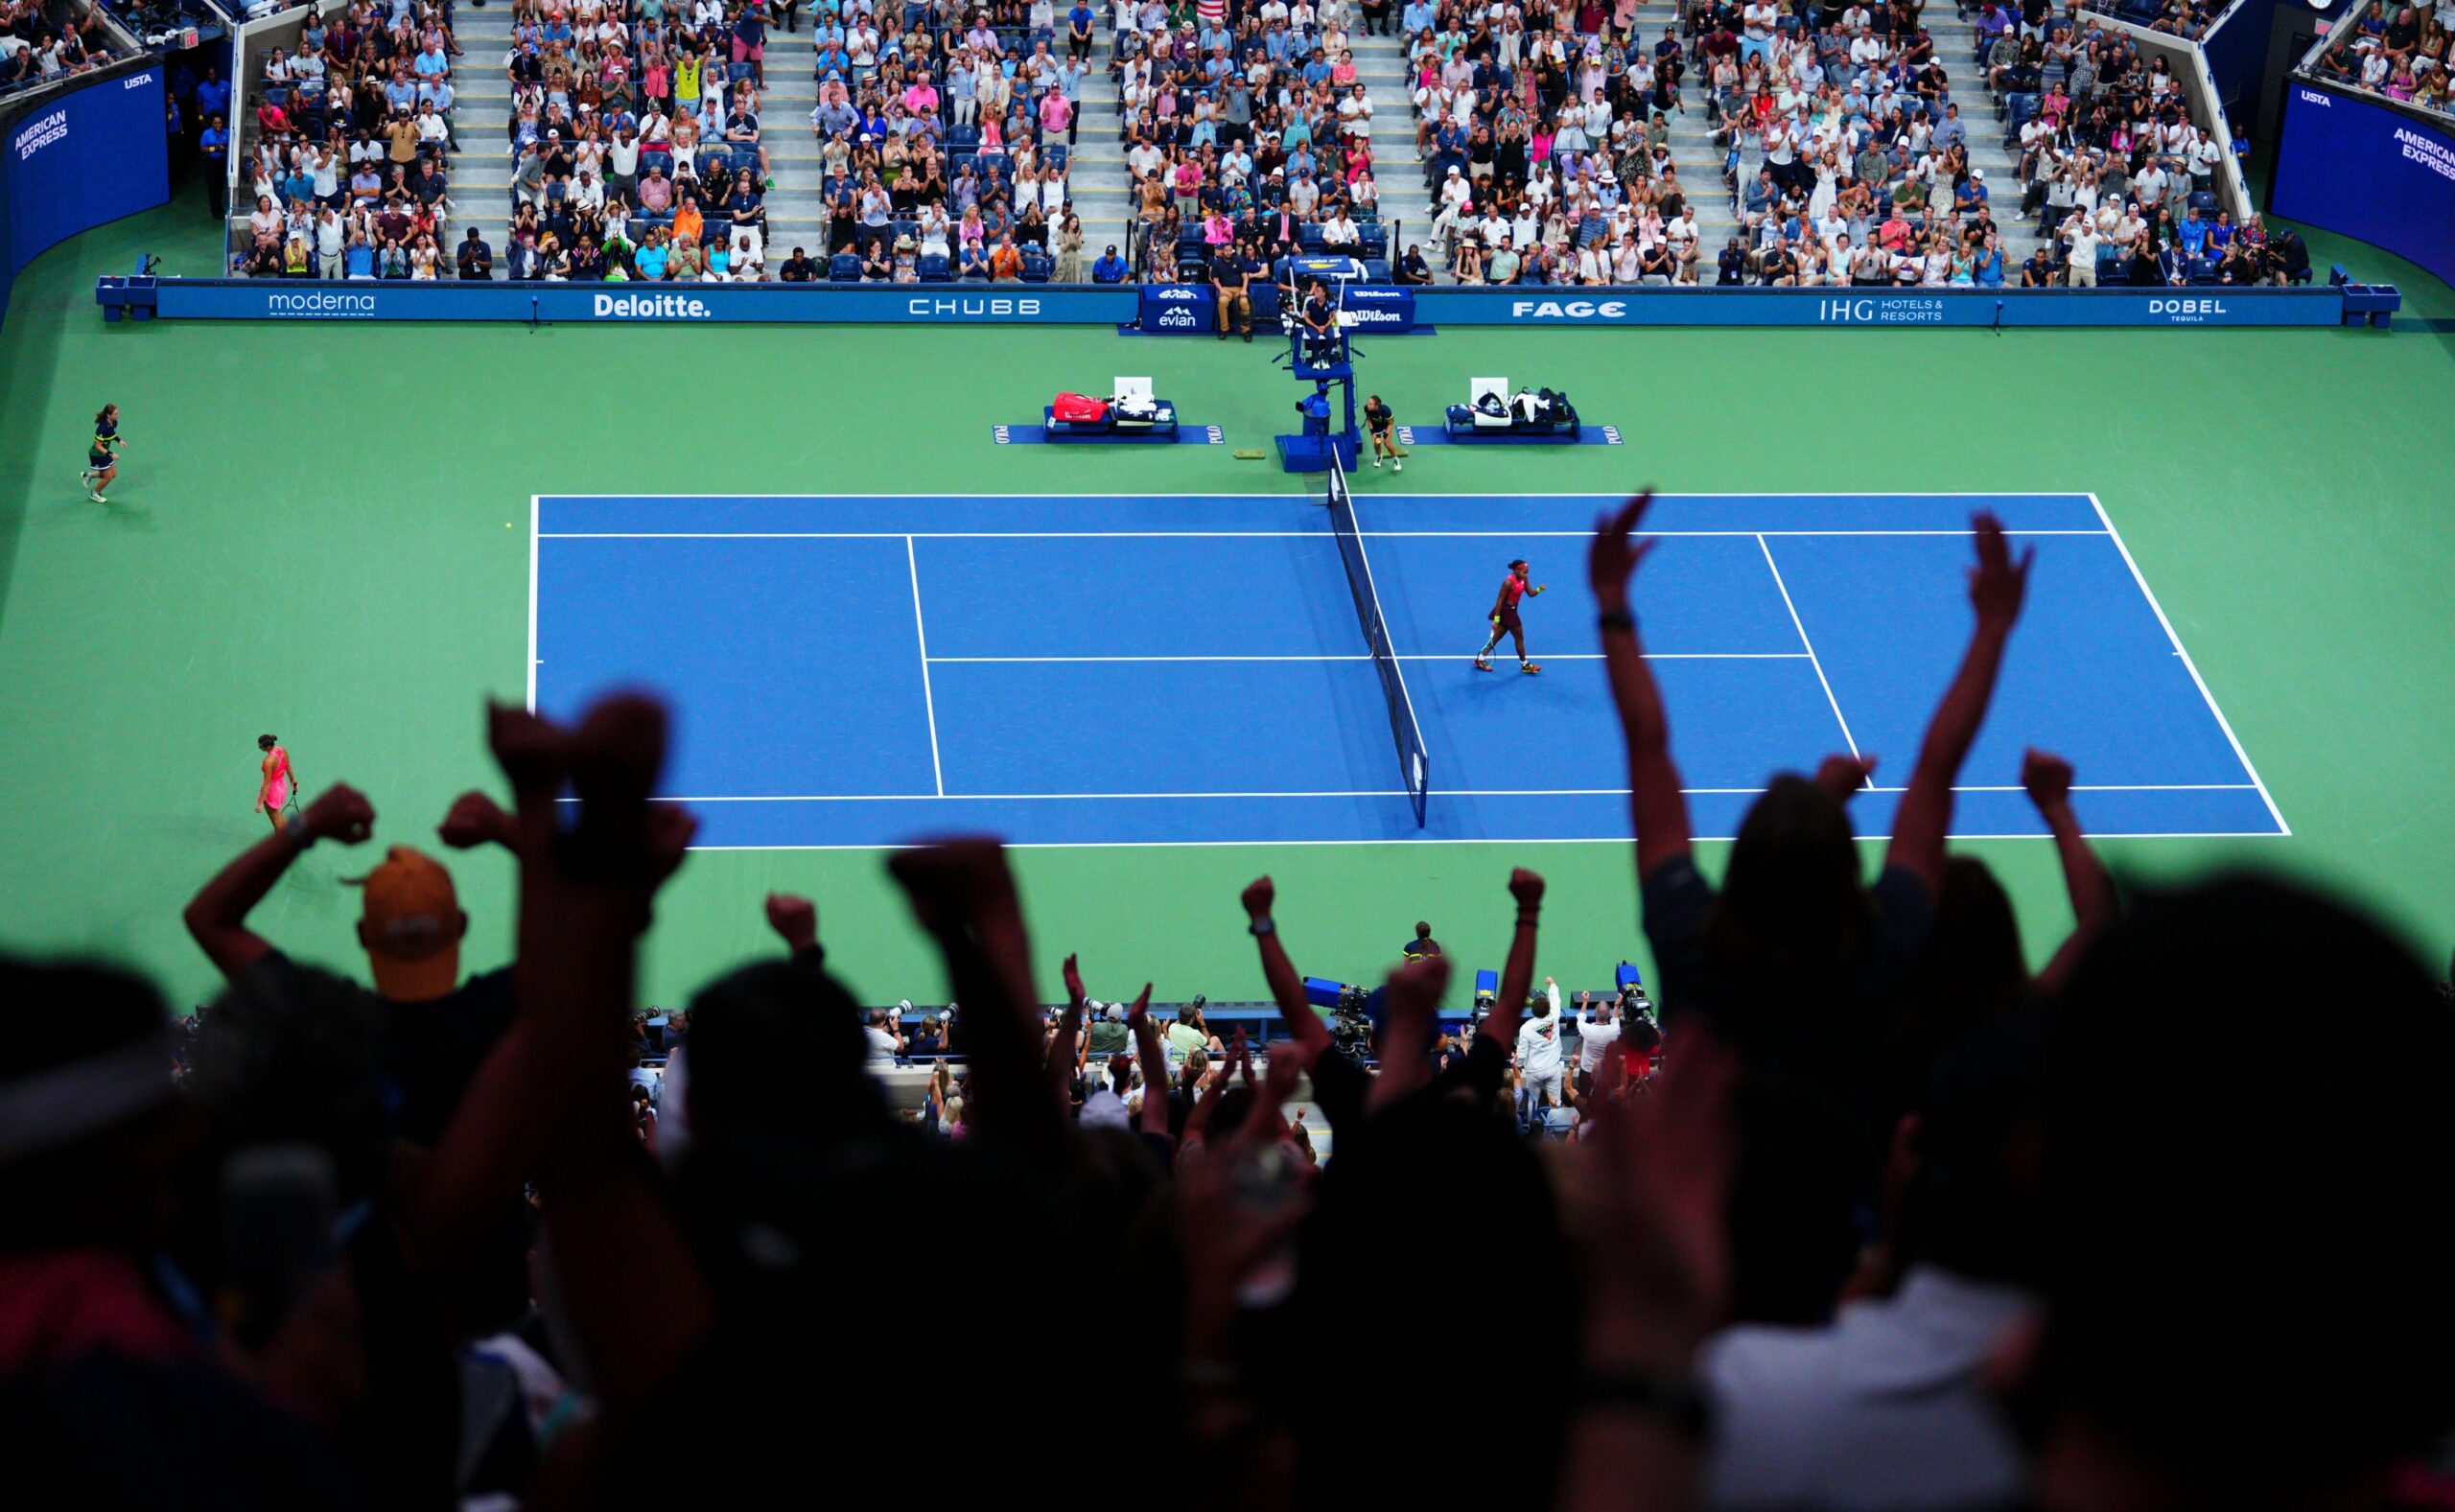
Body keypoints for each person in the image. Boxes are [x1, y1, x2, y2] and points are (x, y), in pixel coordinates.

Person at [1474, 557, 1546, 674]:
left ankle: (1480, 659)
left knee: (1497, 637)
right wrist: (1496, 620)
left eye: (1527, 572)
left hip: (1512, 611)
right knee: (1519, 637)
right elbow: (1500, 600)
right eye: (1524, 572)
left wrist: (1539, 589)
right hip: (1507, 612)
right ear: (1516, 570)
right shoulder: (1508, 582)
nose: (1526, 574)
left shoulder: (1524, 579)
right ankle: (1525, 665)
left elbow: (1531, 593)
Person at [80, 404, 123, 503]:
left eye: (118, 413)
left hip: (104, 452)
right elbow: (98, 446)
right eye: (115, 414)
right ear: (108, 415)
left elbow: (112, 434)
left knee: (113, 474)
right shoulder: (102, 428)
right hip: (97, 454)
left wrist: (119, 440)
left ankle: (89, 475)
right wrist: (111, 454)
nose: (118, 415)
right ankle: (95, 494)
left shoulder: (114, 422)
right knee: (108, 477)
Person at [253, 733, 294, 830]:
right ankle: (290, 834)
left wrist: (260, 803)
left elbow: (266, 783)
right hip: (282, 787)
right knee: (278, 815)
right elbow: (288, 766)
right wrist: (293, 781)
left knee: (276, 821)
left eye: (261, 747)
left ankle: (283, 839)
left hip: (272, 792)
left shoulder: (268, 762)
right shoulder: (282, 750)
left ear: (268, 747)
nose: (259, 748)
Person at [1364, 391, 1404, 471]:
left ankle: (1396, 460)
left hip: (1386, 426)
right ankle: (1379, 456)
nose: (1368, 405)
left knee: (1387, 443)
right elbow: (1369, 420)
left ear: (1376, 405)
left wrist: (1384, 436)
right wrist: (1372, 433)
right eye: (1368, 403)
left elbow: (1391, 424)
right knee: (1376, 444)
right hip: (1376, 427)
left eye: (1371, 404)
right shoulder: (1367, 409)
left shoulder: (1386, 410)